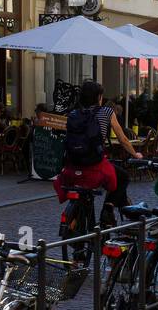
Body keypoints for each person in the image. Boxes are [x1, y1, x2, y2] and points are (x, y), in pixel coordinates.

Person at [54, 81, 138, 225]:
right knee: (123, 177)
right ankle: (108, 208)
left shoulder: (73, 114)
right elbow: (122, 138)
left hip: (73, 165)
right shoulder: (106, 112)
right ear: (98, 97)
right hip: (94, 165)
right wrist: (136, 155)